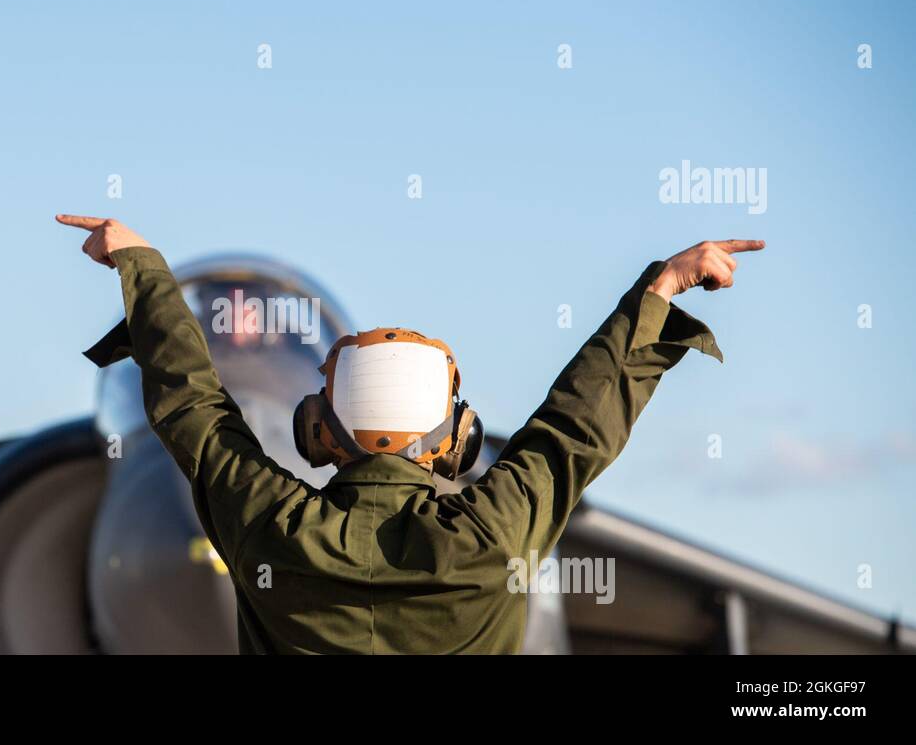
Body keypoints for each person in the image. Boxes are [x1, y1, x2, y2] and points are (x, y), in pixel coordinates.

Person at [59, 213, 764, 654]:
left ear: (321, 431)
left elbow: (194, 408)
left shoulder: (270, 524)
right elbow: (573, 428)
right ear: (455, 439)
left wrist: (145, 269)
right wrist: (660, 289)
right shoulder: (493, 534)